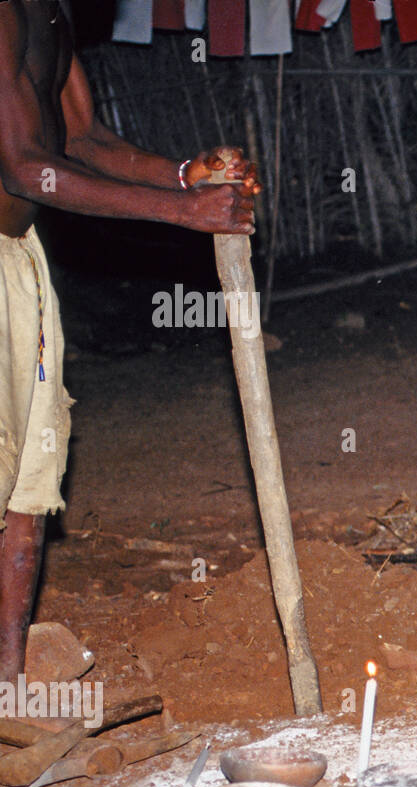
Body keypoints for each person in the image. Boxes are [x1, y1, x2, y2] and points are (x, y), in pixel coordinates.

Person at [0, 0, 260, 683]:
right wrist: (181, 214)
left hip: (19, 255)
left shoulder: (51, 14)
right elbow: (24, 167)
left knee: (31, 477)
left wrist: (183, 177)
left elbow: (79, 140)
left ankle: (7, 685)